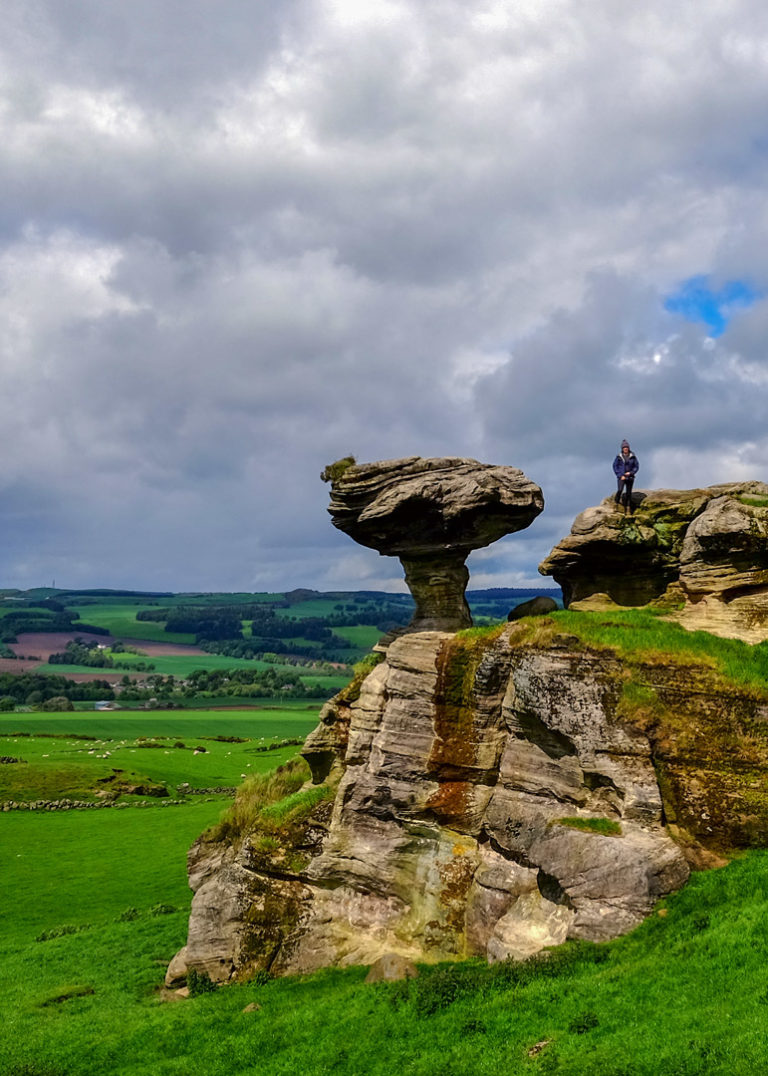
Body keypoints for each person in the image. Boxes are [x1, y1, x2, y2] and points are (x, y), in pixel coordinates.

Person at [613, 439, 639, 514]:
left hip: (630, 477)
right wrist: (620, 475)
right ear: (622, 449)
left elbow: (636, 466)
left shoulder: (633, 456)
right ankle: (616, 504)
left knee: (628, 493)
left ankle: (628, 508)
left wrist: (631, 473)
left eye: (627, 447)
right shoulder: (619, 457)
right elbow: (615, 466)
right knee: (620, 490)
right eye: (624, 448)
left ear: (628, 448)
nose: (626, 449)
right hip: (621, 477)